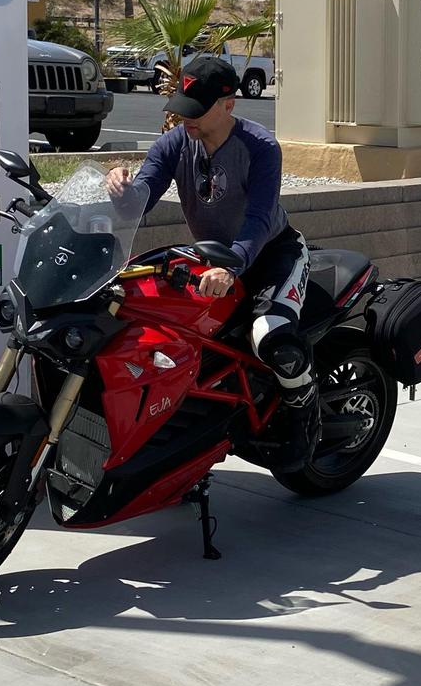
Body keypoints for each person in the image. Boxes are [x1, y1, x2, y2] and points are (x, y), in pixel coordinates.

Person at [106, 55, 317, 462]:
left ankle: (305, 417)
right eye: (183, 108)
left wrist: (232, 264)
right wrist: (121, 190)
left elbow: (258, 219)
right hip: (213, 259)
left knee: (270, 337)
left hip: (271, 254)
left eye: (197, 111)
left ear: (229, 105)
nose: (187, 120)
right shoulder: (174, 143)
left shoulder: (260, 147)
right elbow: (142, 197)